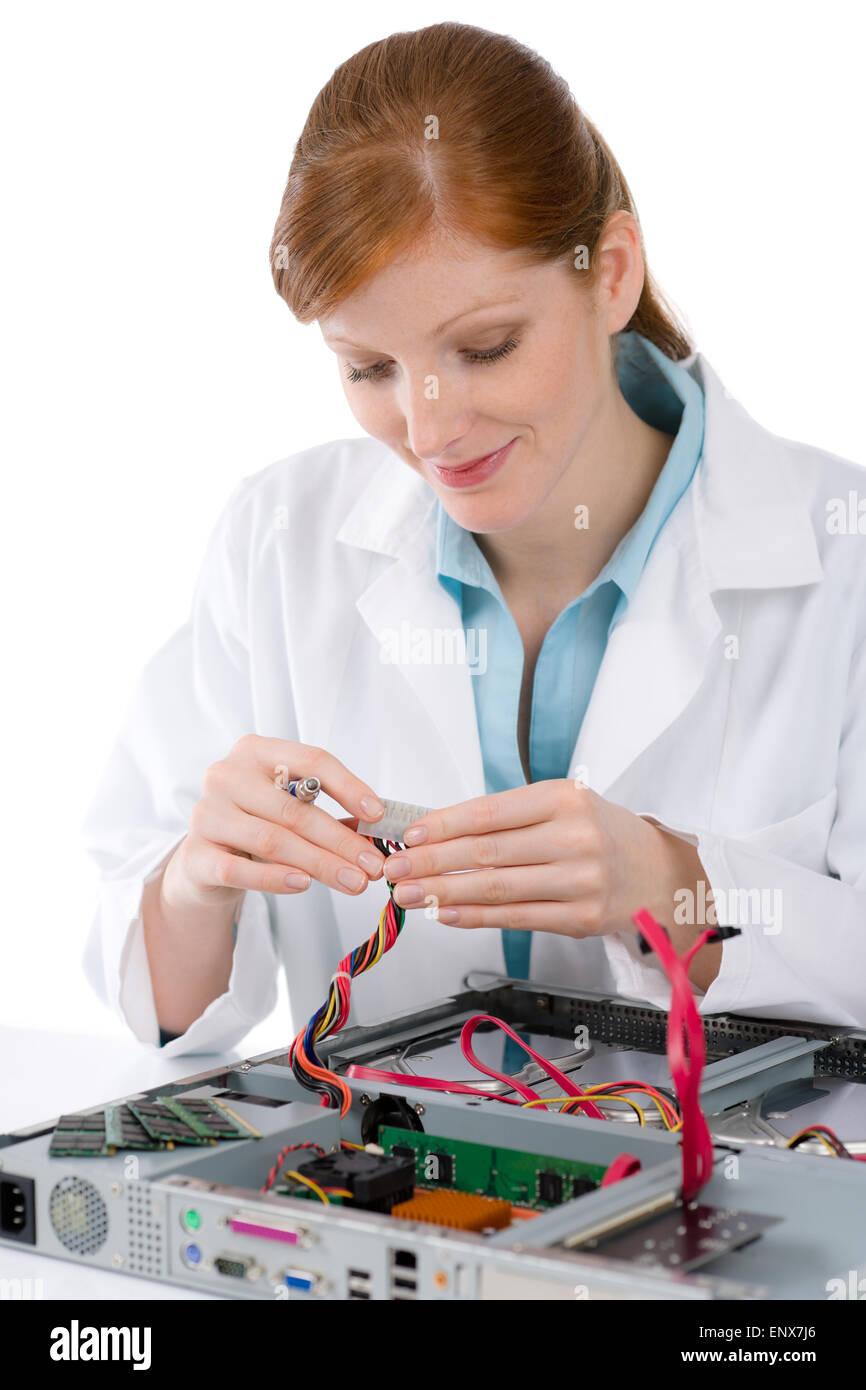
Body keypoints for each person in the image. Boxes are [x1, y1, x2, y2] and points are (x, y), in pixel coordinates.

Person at [82, 22, 866, 1056]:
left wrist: (671, 886)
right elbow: (163, 1006)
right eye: (368, 368)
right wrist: (199, 875)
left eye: (485, 347)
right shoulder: (279, 541)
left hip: (729, 1204)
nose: (427, 425)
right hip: (383, 1186)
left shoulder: (837, 559)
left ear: (612, 272)